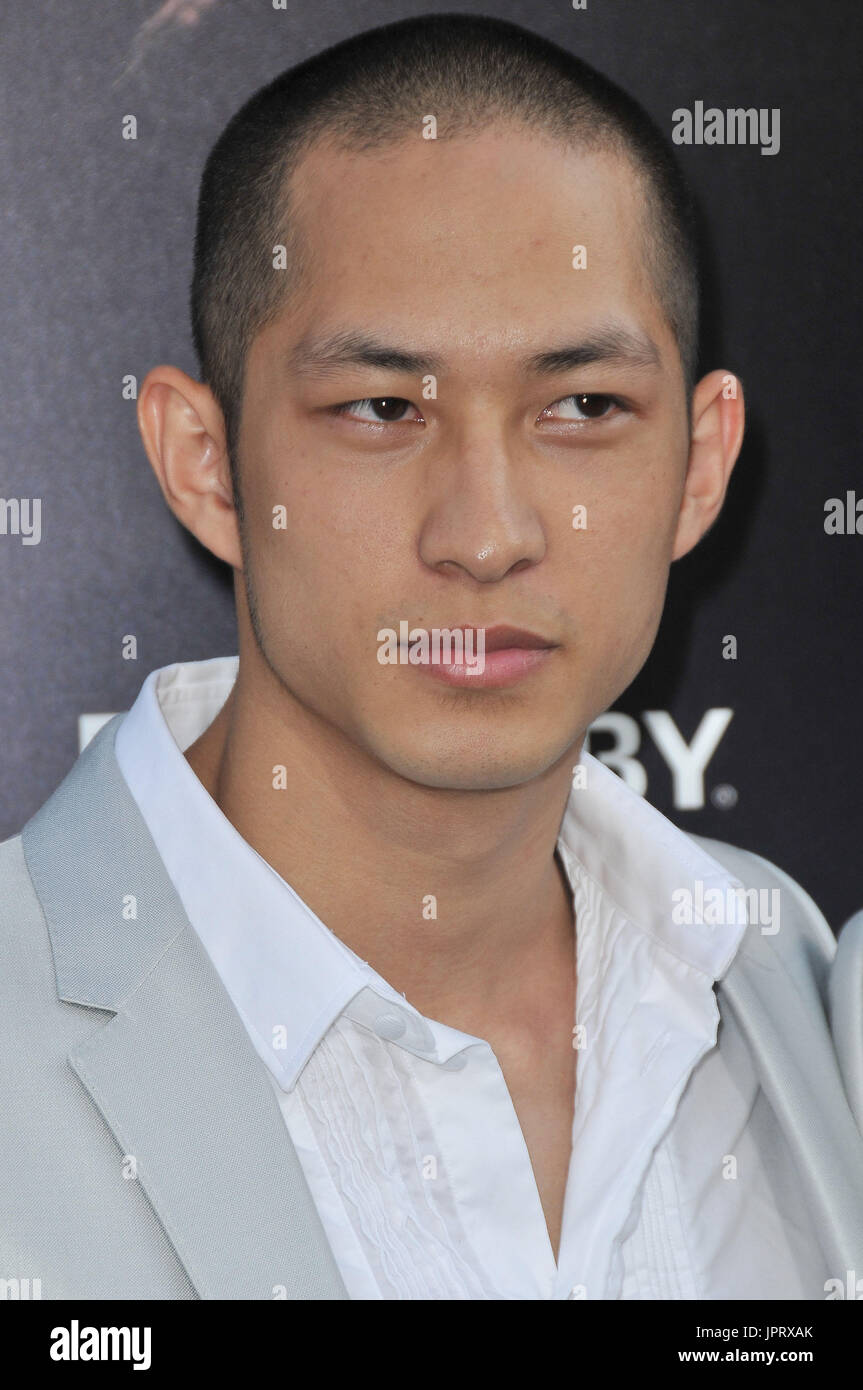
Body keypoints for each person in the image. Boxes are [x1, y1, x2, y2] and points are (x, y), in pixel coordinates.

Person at [2, 12, 862, 1301]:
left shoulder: (788, 977)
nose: (487, 535)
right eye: (380, 409)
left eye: (583, 408)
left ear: (700, 465)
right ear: (206, 463)